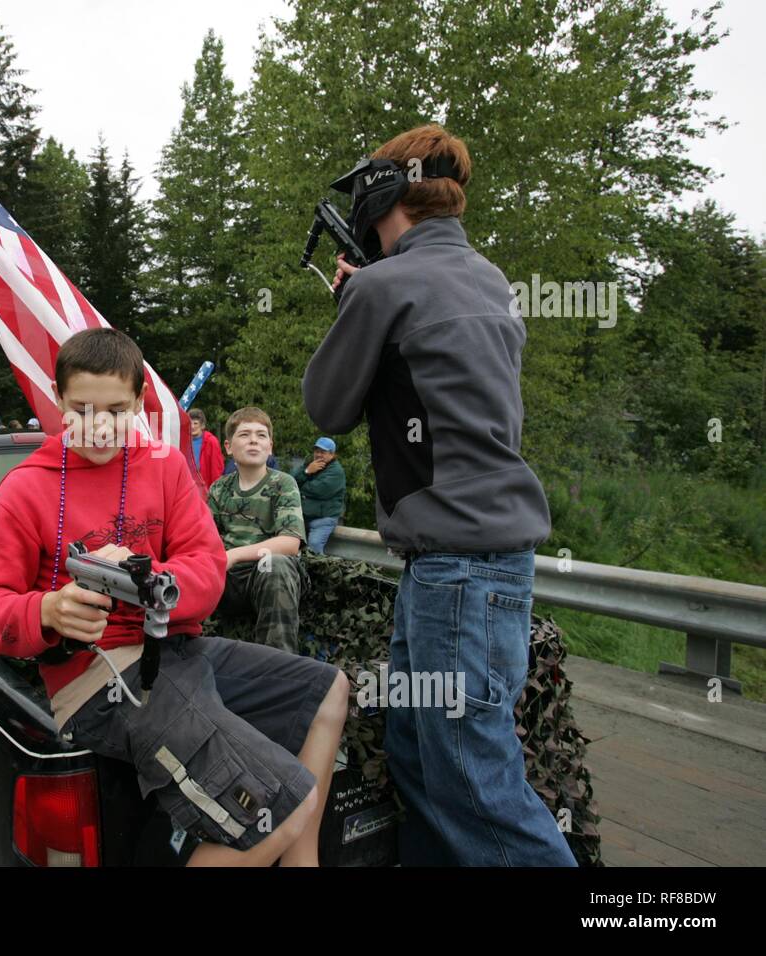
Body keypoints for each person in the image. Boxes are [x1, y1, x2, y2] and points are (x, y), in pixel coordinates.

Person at [0, 328, 348, 866]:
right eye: (81, 409)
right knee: (287, 803)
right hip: (97, 679)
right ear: (57, 398)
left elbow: (207, 570)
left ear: (139, 400)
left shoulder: (164, 465)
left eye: (116, 409)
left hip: (177, 653)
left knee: (329, 689)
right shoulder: (26, 488)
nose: (97, 426)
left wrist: (146, 577)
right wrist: (44, 610)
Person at [302, 123, 574, 866]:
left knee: (473, 785)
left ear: (382, 195)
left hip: (455, 570)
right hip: (475, 567)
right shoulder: (487, 276)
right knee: (419, 757)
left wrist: (353, 306)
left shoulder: (385, 285)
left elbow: (326, 407)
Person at [207, 407, 308, 654]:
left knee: (275, 564)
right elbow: (204, 539)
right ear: (229, 447)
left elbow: (290, 543)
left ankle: (278, 664)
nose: (253, 440)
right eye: (245, 434)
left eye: (261, 435)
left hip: (267, 575)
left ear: (270, 446)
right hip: (228, 579)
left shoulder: (283, 484)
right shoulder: (219, 488)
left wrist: (235, 555)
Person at [292, 437, 346, 555]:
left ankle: (316, 573)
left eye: (323, 452)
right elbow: (290, 481)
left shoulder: (336, 472)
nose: (318, 455)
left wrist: (300, 486)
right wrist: (306, 471)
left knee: (314, 546)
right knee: (290, 544)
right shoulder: (310, 465)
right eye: (316, 451)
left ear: (332, 454)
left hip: (324, 519)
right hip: (304, 517)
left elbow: (317, 491)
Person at [187, 408, 225, 488]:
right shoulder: (184, 441)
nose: (192, 426)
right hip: (188, 485)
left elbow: (216, 469)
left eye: (195, 423)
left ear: (202, 425)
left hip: (205, 487)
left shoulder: (211, 441)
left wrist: (215, 491)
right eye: (190, 423)